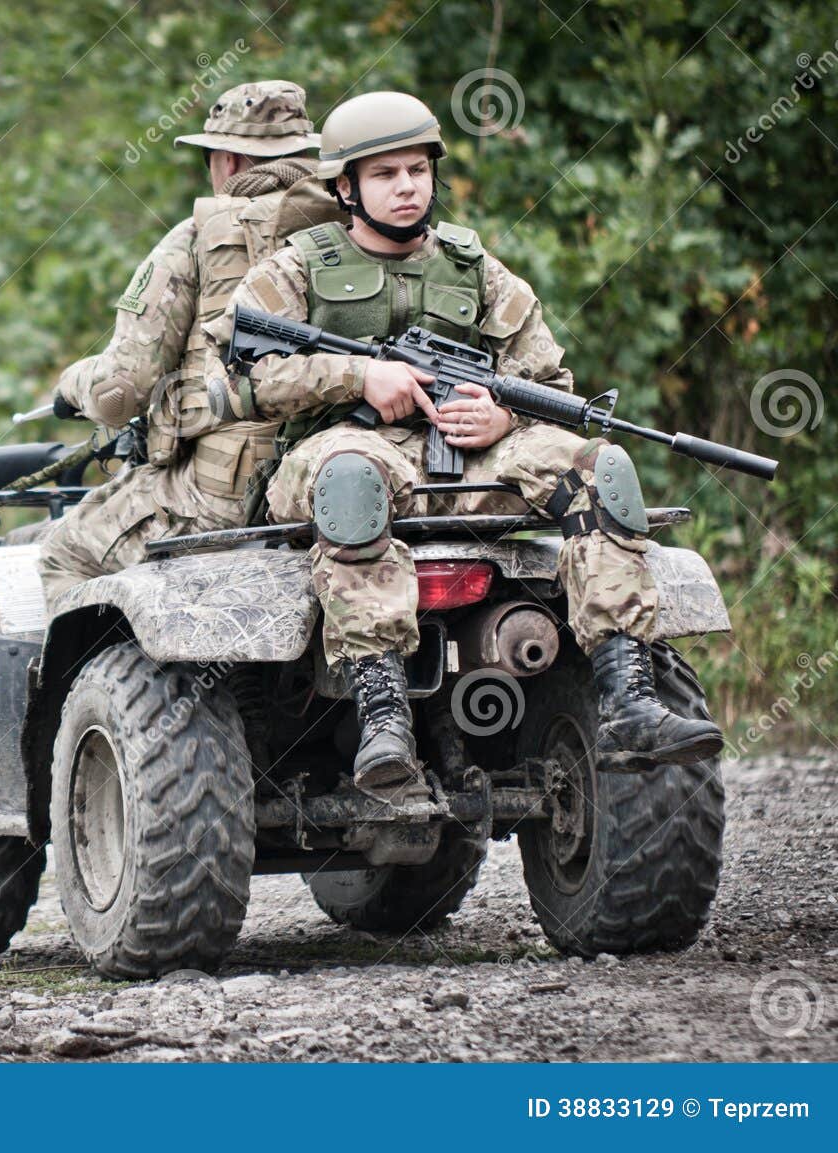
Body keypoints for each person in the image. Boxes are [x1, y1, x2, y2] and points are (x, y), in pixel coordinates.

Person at [205, 90, 723, 800]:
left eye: (417, 169)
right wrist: (358, 373)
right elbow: (232, 379)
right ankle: (384, 716)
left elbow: (545, 374)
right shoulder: (296, 267)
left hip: (468, 450)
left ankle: (628, 700)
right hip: (341, 453)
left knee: (601, 466)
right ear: (346, 186)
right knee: (353, 477)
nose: (407, 185)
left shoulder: (473, 267)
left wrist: (502, 415)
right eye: (385, 173)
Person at [37, 80, 344, 600]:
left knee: (64, 555)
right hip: (342, 489)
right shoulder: (363, 228)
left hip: (227, 498)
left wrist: (71, 386)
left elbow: (120, 395)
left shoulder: (199, 236)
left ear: (226, 161)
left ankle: (120, 679)